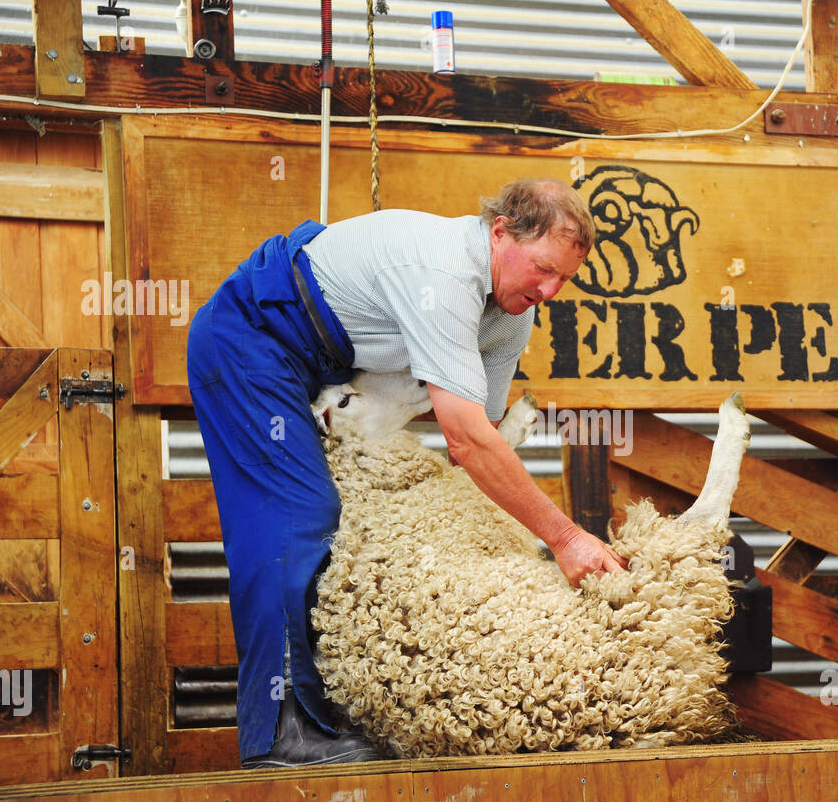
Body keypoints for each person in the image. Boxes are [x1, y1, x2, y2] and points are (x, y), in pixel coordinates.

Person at [186, 178, 624, 768]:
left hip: (321, 357)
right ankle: (280, 733)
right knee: (296, 514)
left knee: (336, 522)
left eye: (564, 280)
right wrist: (566, 538)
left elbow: (478, 435)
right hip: (251, 338)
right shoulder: (444, 274)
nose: (549, 290)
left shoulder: (510, 315)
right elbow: (470, 442)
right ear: (500, 233)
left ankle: (326, 714)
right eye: (543, 268)